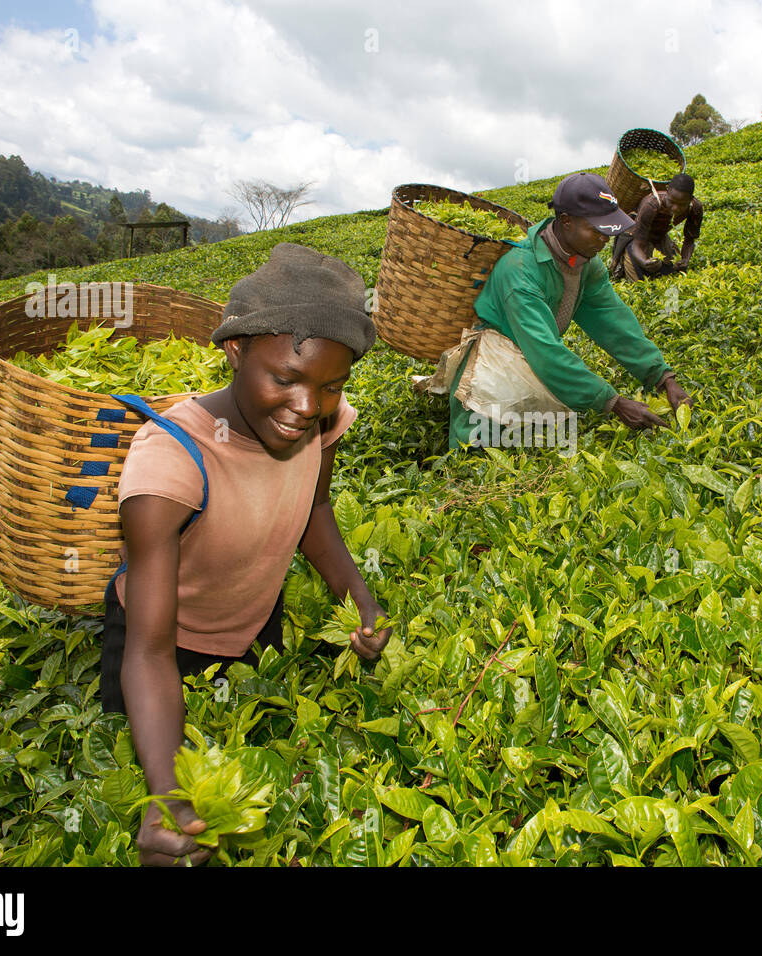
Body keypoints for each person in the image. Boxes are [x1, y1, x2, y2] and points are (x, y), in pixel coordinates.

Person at [102, 242, 391, 866]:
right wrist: (167, 798)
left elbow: (314, 511)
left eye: (330, 385)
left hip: (256, 616)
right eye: (285, 379)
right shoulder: (169, 462)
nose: (306, 407)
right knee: (147, 736)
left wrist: (361, 604)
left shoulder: (322, 420)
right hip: (163, 639)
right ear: (235, 351)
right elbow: (148, 651)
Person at [422, 172, 692, 451]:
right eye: (596, 230)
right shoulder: (520, 272)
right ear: (565, 221)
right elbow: (547, 353)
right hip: (496, 368)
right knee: (479, 453)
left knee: (542, 447)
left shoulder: (587, 263)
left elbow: (612, 320)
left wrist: (661, 376)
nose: (604, 240)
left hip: (534, 363)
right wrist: (614, 403)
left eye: (608, 231)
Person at [609, 172, 704, 281]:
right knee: (638, 280)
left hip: (659, 237)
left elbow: (689, 239)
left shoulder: (695, 207)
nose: (675, 208)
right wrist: (644, 262)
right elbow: (637, 244)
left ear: (690, 199)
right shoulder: (652, 204)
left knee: (672, 274)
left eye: (682, 204)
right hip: (633, 237)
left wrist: (685, 259)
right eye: (672, 202)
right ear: (667, 193)